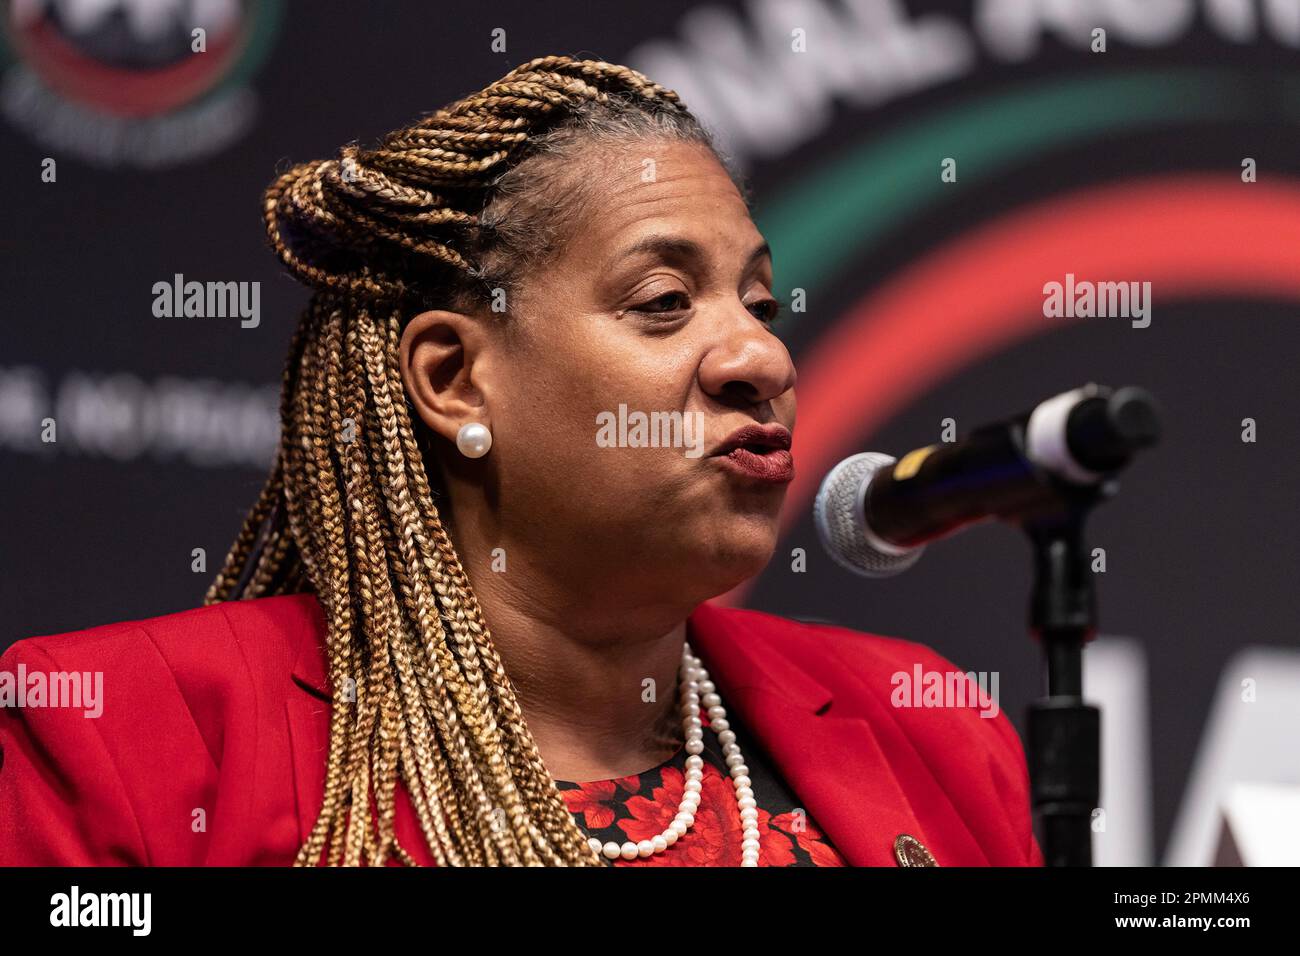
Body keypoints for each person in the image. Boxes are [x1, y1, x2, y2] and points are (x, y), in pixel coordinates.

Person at [0, 56, 1042, 867]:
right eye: (663, 304)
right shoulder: (117, 728)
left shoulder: (923, 720)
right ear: (455, 378)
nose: (759, 354)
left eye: (760, 304)